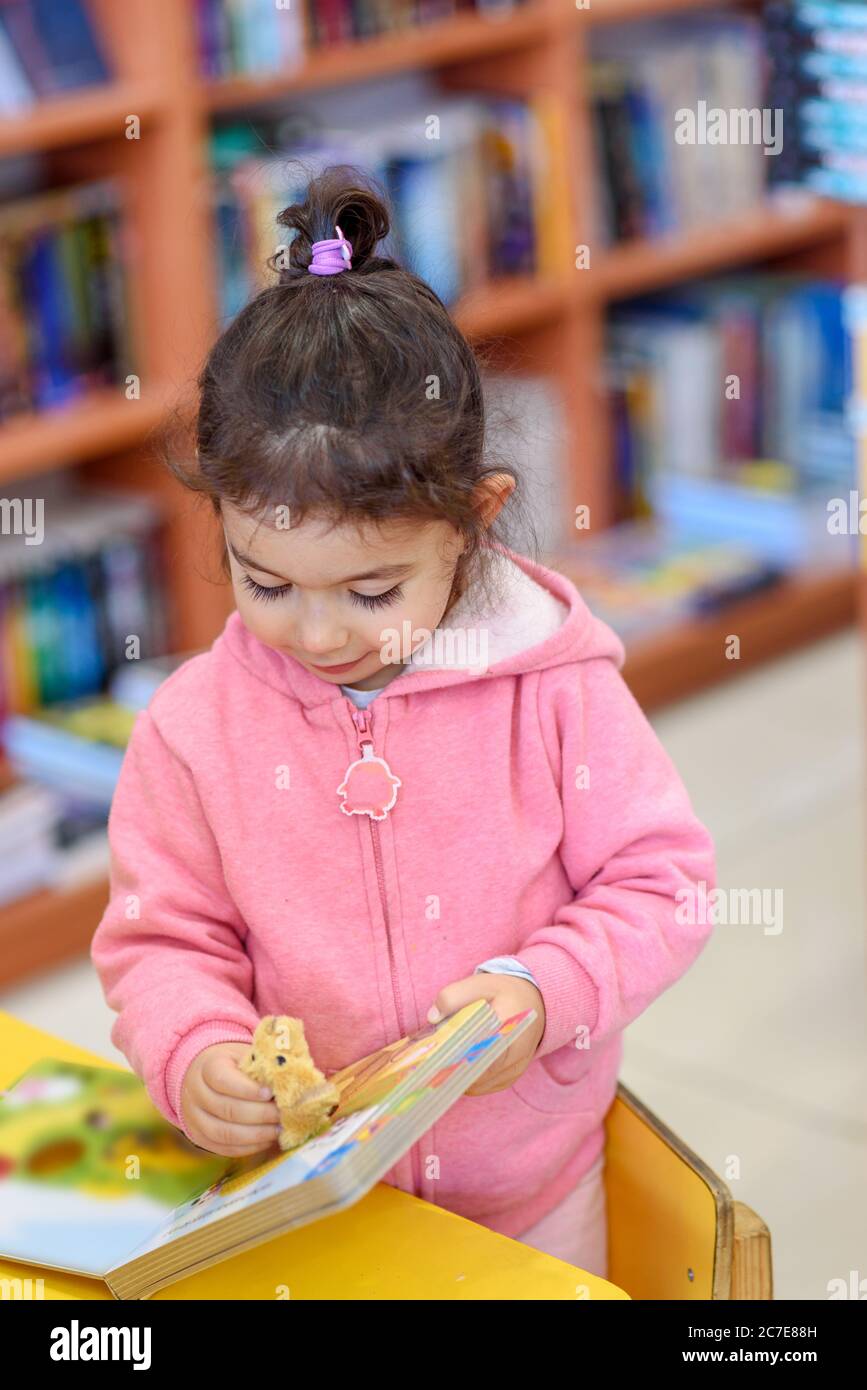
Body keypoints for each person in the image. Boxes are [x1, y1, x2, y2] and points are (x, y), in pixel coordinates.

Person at [91, 165, 717, 1279]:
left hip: (533, 1189)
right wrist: (195, 1054)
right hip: (310, 1205)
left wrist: (544, 992)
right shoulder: (192, 731)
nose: (318, 633)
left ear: (471, 524)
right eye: (264, 579)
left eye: (371, 592)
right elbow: (163, 942)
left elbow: (663, 883)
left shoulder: (552, 687)